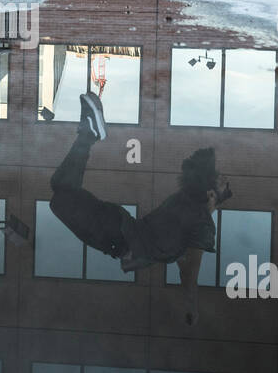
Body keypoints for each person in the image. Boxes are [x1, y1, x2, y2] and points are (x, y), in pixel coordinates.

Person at [47, 91, 230, 325]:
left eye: (223, 181)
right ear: (210, 194)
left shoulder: (185, 205)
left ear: (212, 194)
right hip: (117, 233)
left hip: (116, 236)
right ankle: (89, 133)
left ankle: (89, 133)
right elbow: (190, 271)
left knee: (60, 190)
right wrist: (191, 306)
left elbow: (183, 264)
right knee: (61, 198)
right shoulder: (200, 223)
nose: (223, 178)